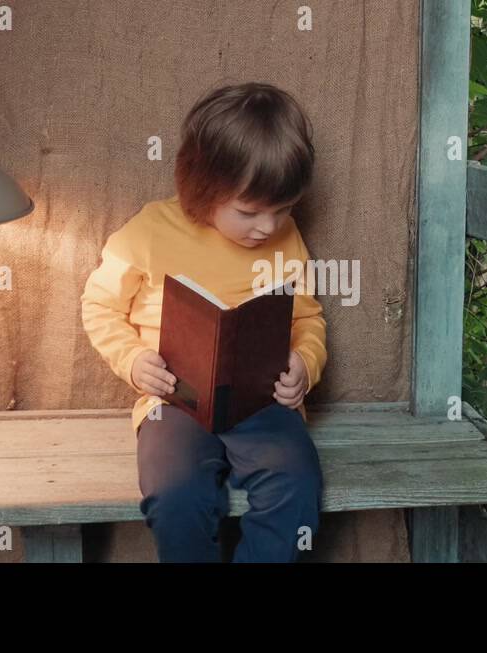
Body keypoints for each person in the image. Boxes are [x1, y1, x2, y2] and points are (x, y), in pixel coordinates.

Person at [80, 82, 327, 562]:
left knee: (295, 489)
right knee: (175, 495)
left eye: (284, 209)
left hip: (264, 405)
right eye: (249, 211)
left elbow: (308, 320)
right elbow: (99, 306)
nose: (269, 227)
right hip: (174, 402)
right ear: (202, 189)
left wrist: (304, 364)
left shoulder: (286, 238)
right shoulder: (149, 232)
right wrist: (132, 360)